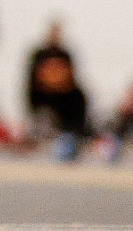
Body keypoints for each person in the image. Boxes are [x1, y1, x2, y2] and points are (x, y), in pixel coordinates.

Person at [23, 21, 87, 159]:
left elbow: (70, 79)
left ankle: (74, 133)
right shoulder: (39, 54)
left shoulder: (65, 54)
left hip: (64, 98)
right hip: (43, 97)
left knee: (79, 97)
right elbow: (33, 81)